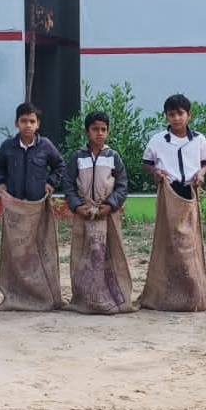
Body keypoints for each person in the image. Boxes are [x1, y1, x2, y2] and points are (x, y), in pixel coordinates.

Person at [139, 93, 206, 311]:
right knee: (168, 240)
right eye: (172, 114)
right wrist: (156, 172)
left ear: (188, 115)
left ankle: (192, 290)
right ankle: (165, 291)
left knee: (189, 241)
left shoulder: (198, 139)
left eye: (180, 113)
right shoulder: (158, 140)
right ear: (166, 116)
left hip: (189, 191)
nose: (177, 118)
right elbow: (146, 163)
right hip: (168, 191)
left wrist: (201, 173)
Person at [0, 102, 65, 311]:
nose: (27, 125)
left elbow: (59, 165)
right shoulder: (8, 146)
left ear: (38, 124)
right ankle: (15, 294)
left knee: (40, 249)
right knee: (16, 250)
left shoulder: (46, 146)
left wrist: (51, 182)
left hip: (38, 206)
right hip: (15, 208)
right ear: (16, 122)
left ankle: (44, 294)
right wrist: (0, 184)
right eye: (23, 121)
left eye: (32, 121)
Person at [63, 110, 134, 314]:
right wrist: (77, 205)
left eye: (104, 129)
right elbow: (68, 183)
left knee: (109, 253)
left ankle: (113, 297)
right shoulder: (77, 156)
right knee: (85, 255)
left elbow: (122, 184)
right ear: (87, 132)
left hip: (108, 213)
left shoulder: (113, 157)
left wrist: (110, 205)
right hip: (83, 213)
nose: (100, 133)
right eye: (95, 129)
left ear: (108, 132)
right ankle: (84, 298)